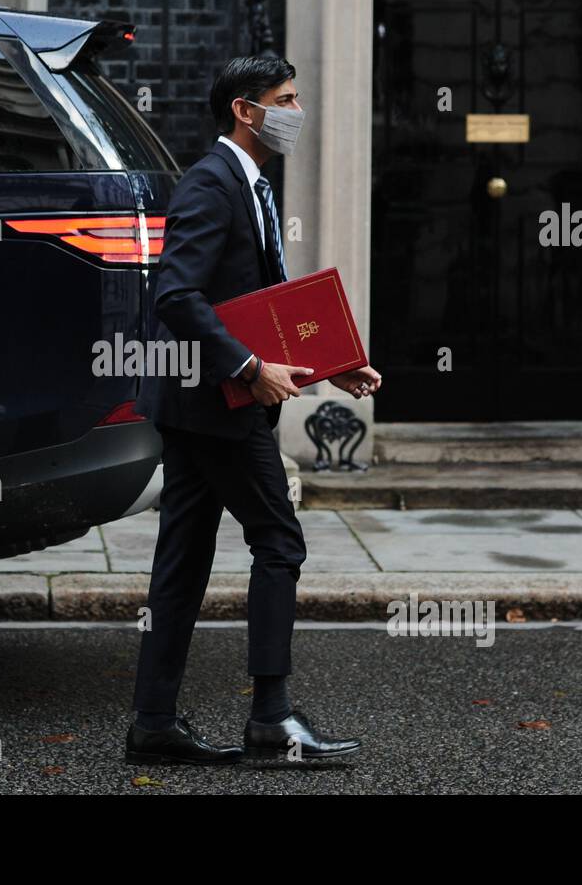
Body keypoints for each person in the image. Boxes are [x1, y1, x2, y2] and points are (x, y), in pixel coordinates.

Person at [127, 56, 382, 766]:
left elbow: (266, 307)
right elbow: (177, 295)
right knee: (279, 540)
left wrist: (335, 363)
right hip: (218, 404)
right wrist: (246, 367)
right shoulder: (212, 183)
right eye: (286, 99)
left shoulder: (252, 184)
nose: (296, 111)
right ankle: (271, 720)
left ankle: (152, 722)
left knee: (182, 558)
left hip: (201, 405)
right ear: (246, 109)